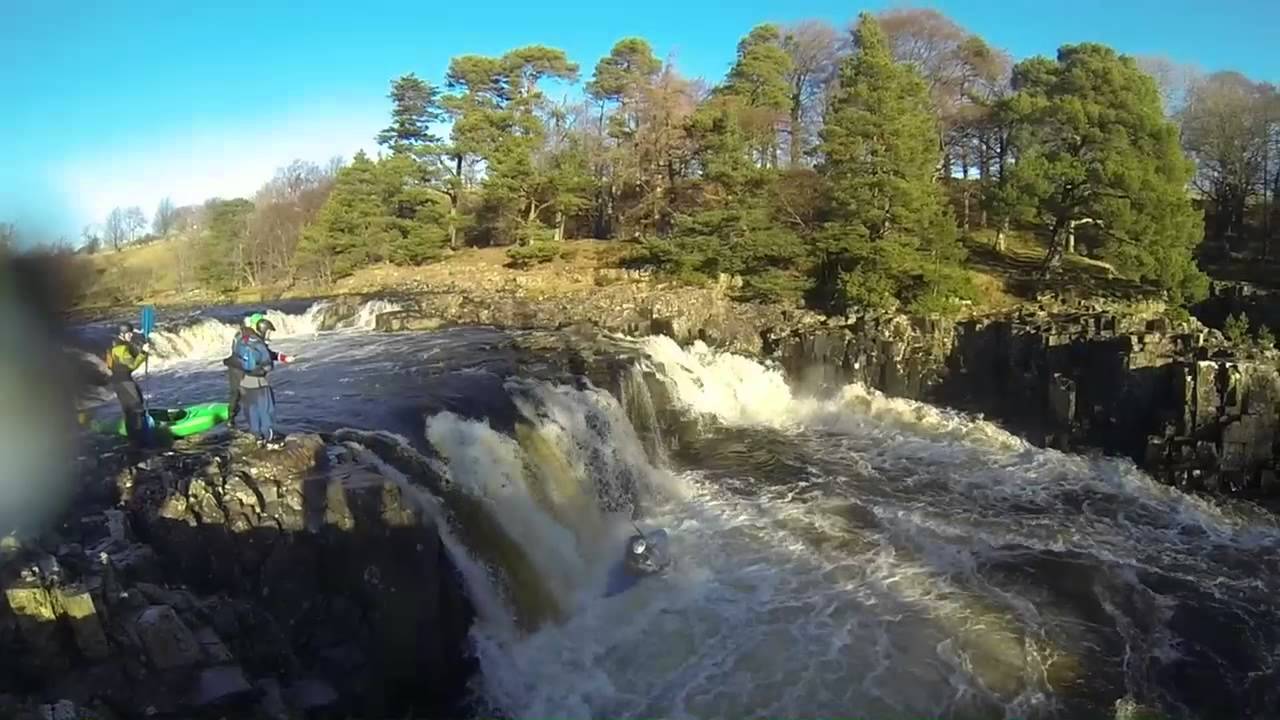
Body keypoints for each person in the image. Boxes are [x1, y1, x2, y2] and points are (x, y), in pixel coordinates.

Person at [234, 314, 294, 448]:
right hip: (259, 383)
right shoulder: (257, 343)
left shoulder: (242, 339)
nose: (268, 335)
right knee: (266, 410)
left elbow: (267, 353)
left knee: (252, 411)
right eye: (267, 332)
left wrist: (283, 357)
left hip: (244, 383)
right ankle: (270, 439)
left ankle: (258, 438)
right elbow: (266, 361)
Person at [105, 323, 150, 447]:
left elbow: (127, 359)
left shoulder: (117, 345)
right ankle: (138, 440)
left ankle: (134, 439)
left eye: (131, 333)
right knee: (136, 409)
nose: (131, 335)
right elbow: (132, 365)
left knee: (131, 409)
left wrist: (143, 348)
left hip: (120, 381)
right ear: (122, 334)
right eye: (128, 333)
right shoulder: (120, 348)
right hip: (123, 381)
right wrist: (144, 353)